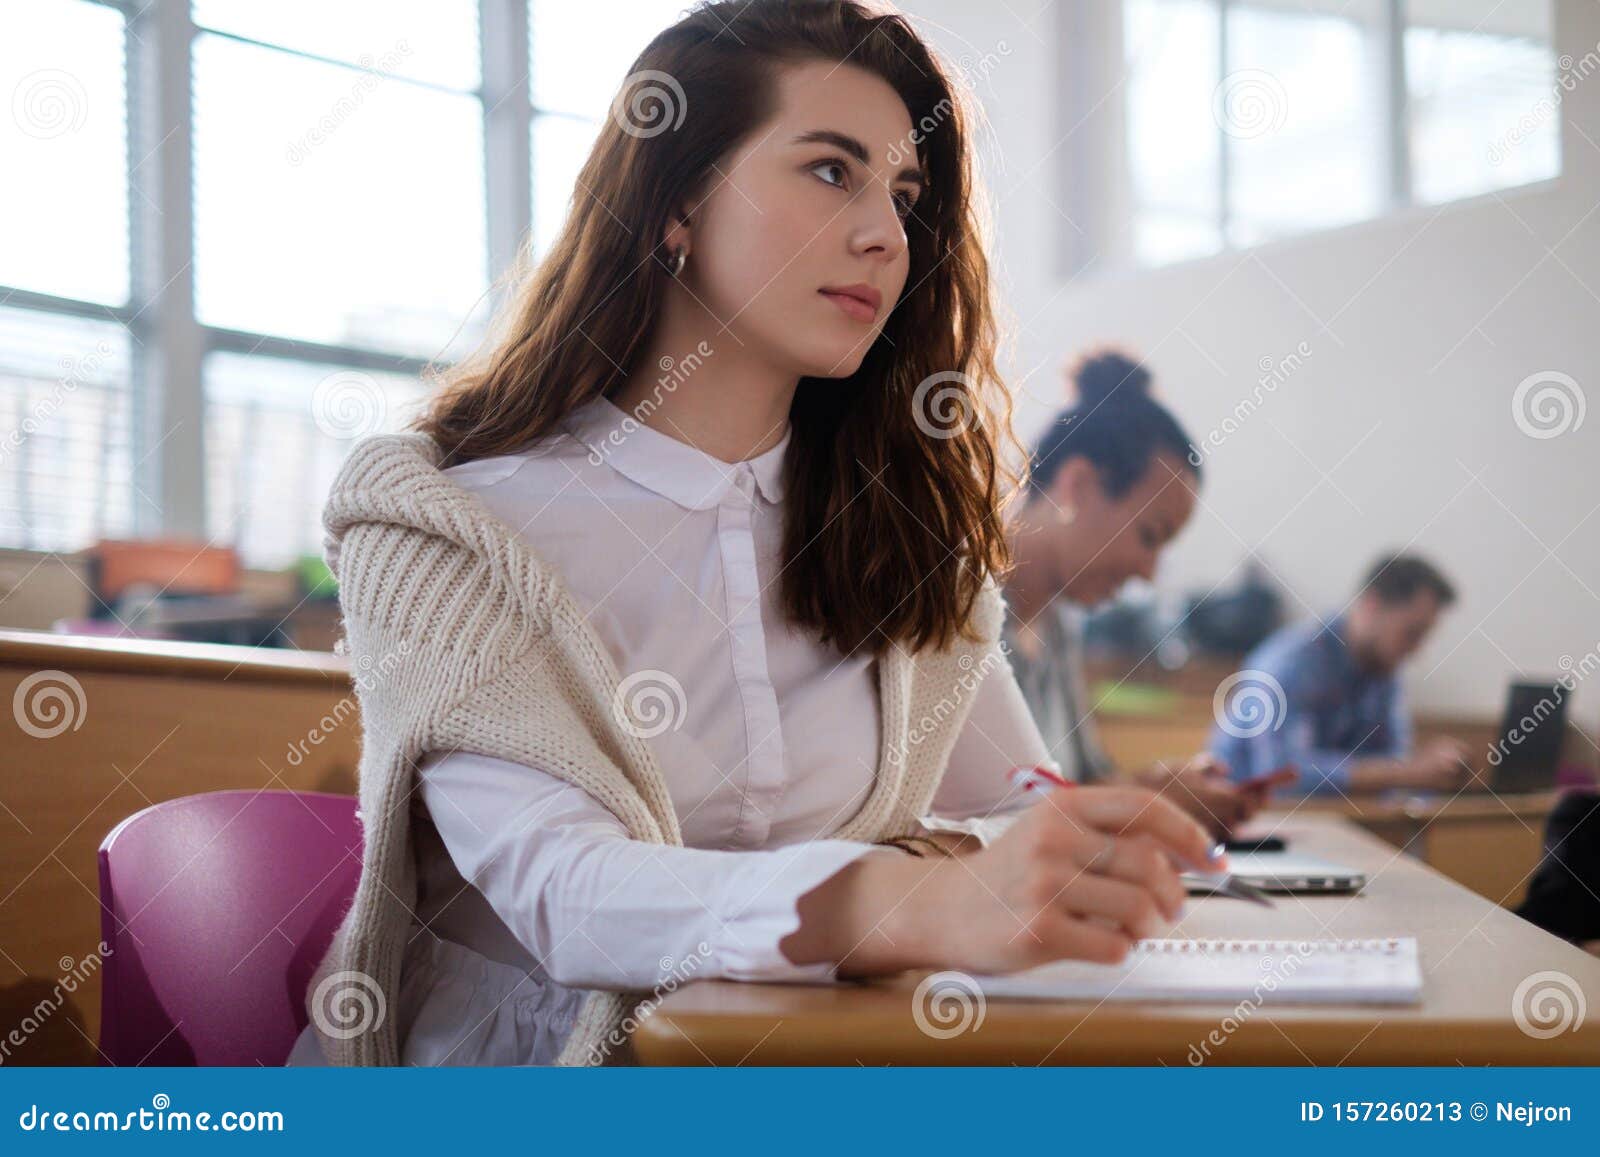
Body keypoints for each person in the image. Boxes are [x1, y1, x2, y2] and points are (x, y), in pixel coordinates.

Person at [288, 0, 1221, 1069]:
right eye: (830, 171)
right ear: (676, 201)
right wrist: (910, 894)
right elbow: (567, 897)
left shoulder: (900, 535)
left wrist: (1082, 845)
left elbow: (1018, 802)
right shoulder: (449, 529)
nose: (886, 236)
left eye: (904, 197)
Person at [1002, 349, 1293, 839]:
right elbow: (986, 818)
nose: (1149, 572)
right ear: (1077, 484)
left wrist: (1167, 790)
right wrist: (1147, 800)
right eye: (1149, 536)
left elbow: (1082, 784)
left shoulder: (1057, 626)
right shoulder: (954, 616)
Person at [1210, 553, 1472, 795]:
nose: (1416, 650)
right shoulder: (1289, 663)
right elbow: (1281, 777)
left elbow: (1393, 761)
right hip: (1246, 820)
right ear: (1372, 605)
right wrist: (1404, 773)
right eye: (1411, 633)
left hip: (1326, 821)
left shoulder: (1383, 670)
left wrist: (1421, 773)